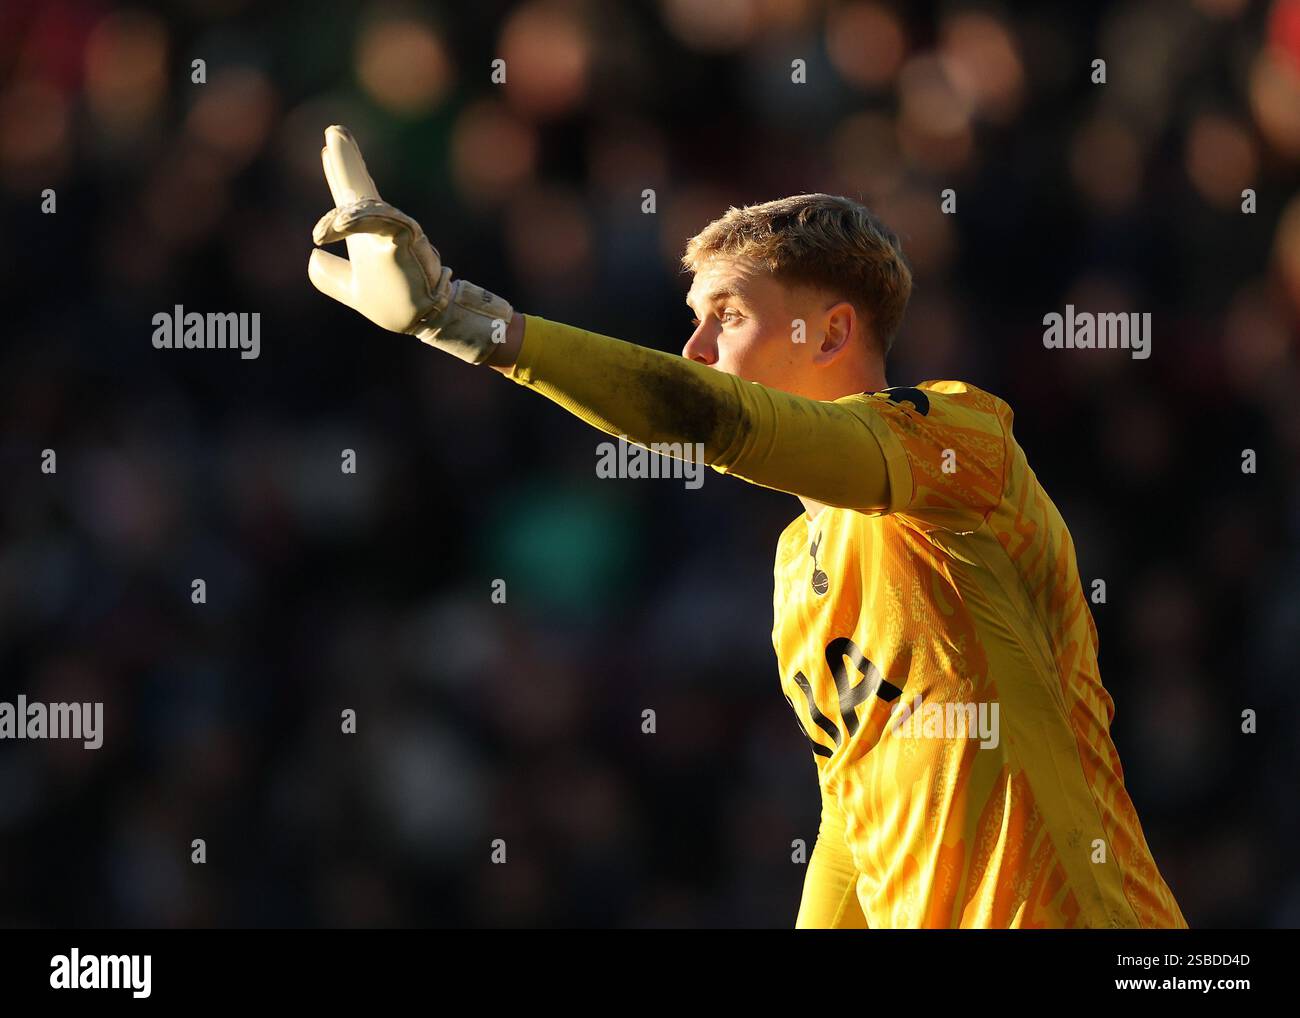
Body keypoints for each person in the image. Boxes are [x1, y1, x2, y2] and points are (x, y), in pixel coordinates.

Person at [308, 125, 1187, 929]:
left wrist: (466, 321)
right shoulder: (799, 562)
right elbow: (854, 815)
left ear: (832, 329)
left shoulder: (957, 441)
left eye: (725, 314)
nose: (697, 348)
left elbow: (715, 421)